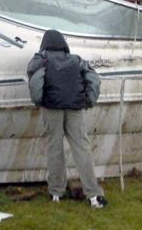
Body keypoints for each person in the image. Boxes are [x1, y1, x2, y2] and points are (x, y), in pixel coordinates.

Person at [26, 29, 106, 208]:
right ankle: (93, 194)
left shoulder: (41, 59)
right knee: (82, 148)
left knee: (55, 149)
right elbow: (94, 78)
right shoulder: (76, 60)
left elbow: (35, 81)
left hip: (51, 107)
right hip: (75, 108)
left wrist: (39, 101)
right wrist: (89, 100)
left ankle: (56, 192)